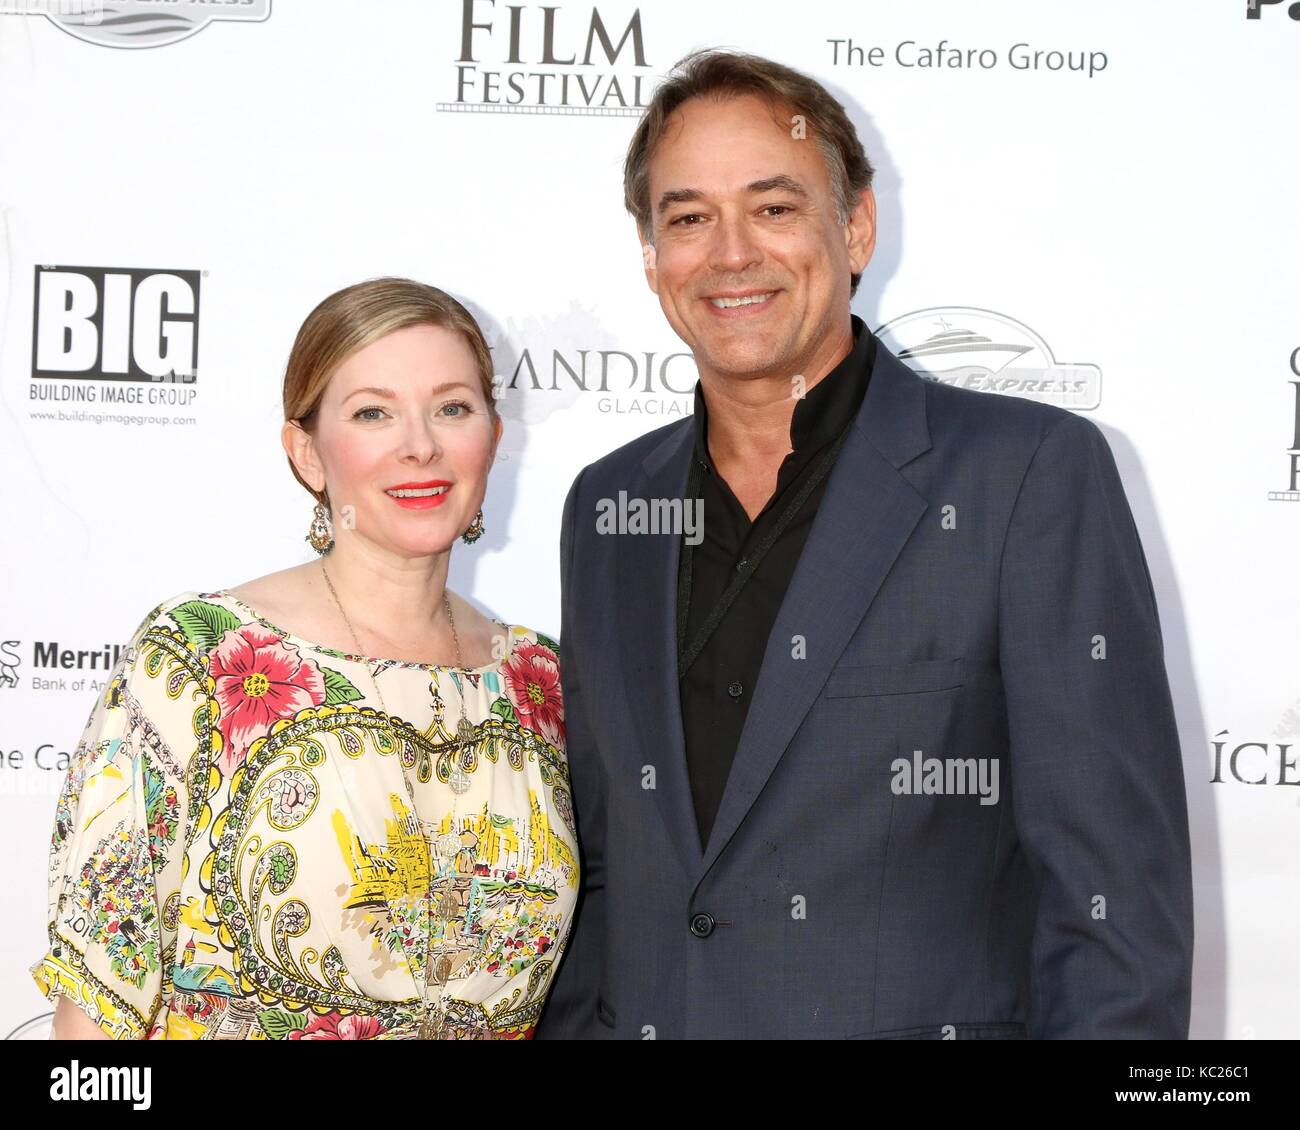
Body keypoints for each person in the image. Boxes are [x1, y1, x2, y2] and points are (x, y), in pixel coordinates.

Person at [537, 49, 1193, 1039]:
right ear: (650, 256)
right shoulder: (608, 506)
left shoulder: (1024, 476)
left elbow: (1114, 913)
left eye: (773, 207)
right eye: (687, 218)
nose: (730, 254)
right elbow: (598, 879)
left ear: (855, 225)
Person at [33, 277, 577, 1040]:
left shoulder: (540, 683)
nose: (419, 443)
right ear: (308, 453)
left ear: (492, 432)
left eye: (452, 406)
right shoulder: (200, 661)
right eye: (372, 413)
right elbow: (98, 1001)